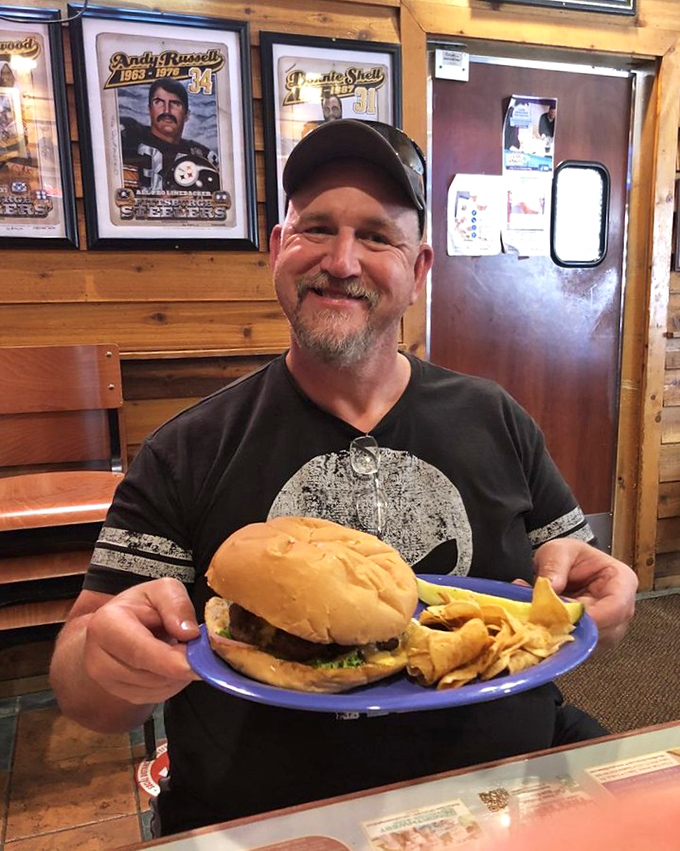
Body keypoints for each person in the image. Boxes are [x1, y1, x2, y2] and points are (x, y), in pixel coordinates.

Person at [49, 119, 638, 837]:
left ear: (419, 270)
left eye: (377, 236)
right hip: (275, 819)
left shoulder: (497, 417)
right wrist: (107, 667)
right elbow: (82, 688)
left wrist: (601, 597)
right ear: (276, 249)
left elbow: (573, 593)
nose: (343, 259)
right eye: (316, 228)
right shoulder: (188, 448)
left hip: (506, 793)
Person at [120, 78, 219, 193]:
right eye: (159, 102)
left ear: (186, 115)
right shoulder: (129, 134)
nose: (167, 110)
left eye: (175, 104)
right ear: (149, 109)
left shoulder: (201, 155)